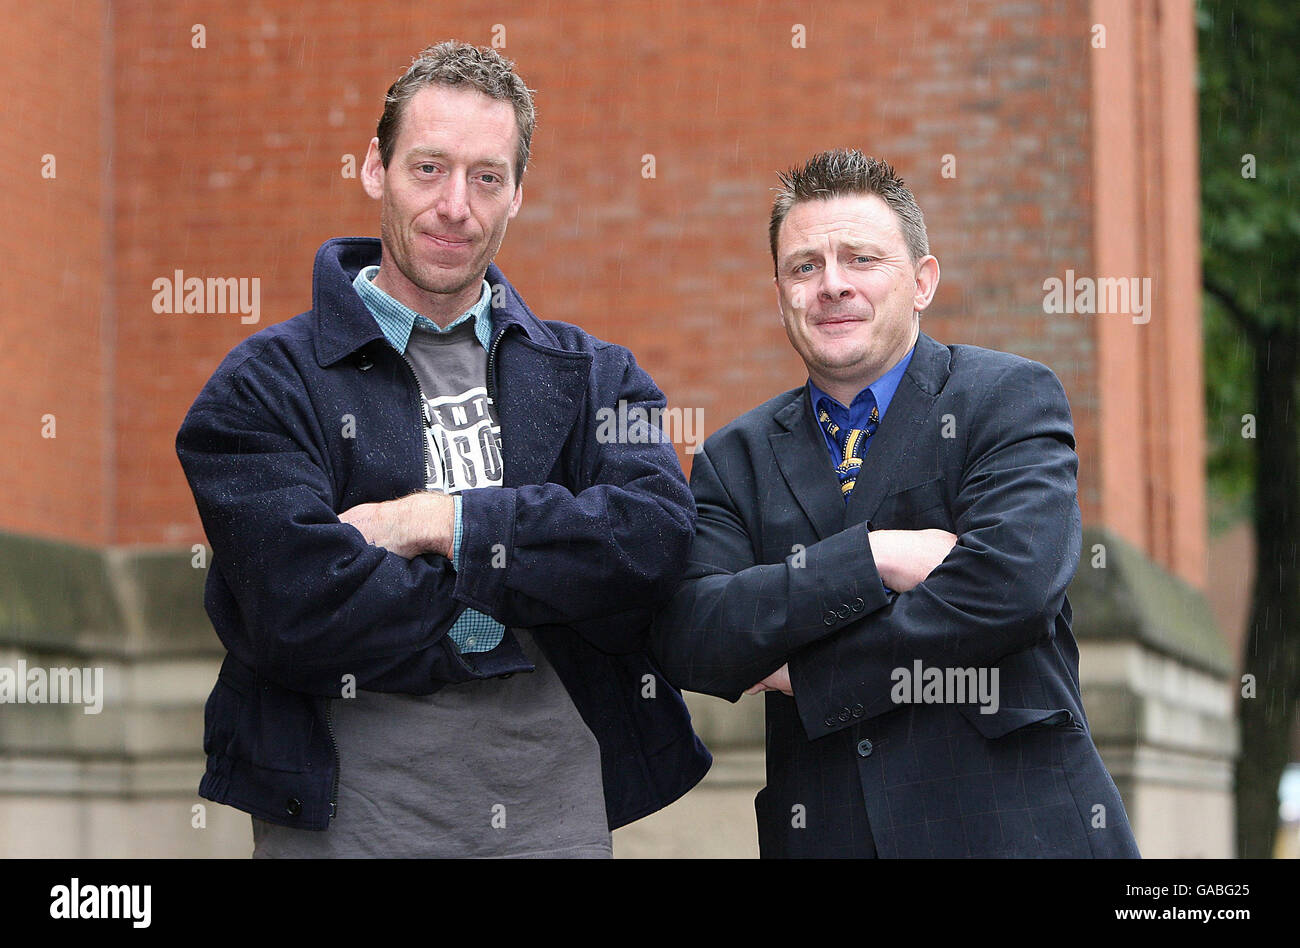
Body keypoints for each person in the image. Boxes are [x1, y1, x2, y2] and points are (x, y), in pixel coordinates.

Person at [176, 41, 709, 858]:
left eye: (486, 177)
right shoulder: (264, 387)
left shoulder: (597, 377)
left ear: (517, 195)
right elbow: (294, 606)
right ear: (373, 170)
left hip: (553, 821)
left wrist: (441, 523)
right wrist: (523, 598)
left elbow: (653, 538)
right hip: (349, 824)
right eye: (428, 169)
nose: (455, 204)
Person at [651, 149, 1140, 858]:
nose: (832, 286)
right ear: (781, 291)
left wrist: (809, 674)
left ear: (921, 281)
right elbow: (693, 634)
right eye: (805, 266)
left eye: (861, 259)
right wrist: (877, 557)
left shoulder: (1005, 400)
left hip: (1016, 830)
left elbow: (1010, 589)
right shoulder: (736, 457)